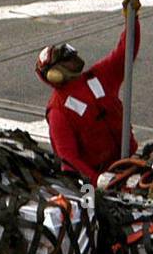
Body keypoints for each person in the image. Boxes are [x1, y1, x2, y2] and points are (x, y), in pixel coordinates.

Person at [37, 10, 140, 185]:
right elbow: (69, 160)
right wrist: (99, 181)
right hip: (103, 179)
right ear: (53, 74)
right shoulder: (58, 112)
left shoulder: (98, 76)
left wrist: (132, 19)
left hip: (130, 163)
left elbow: (126, 51)